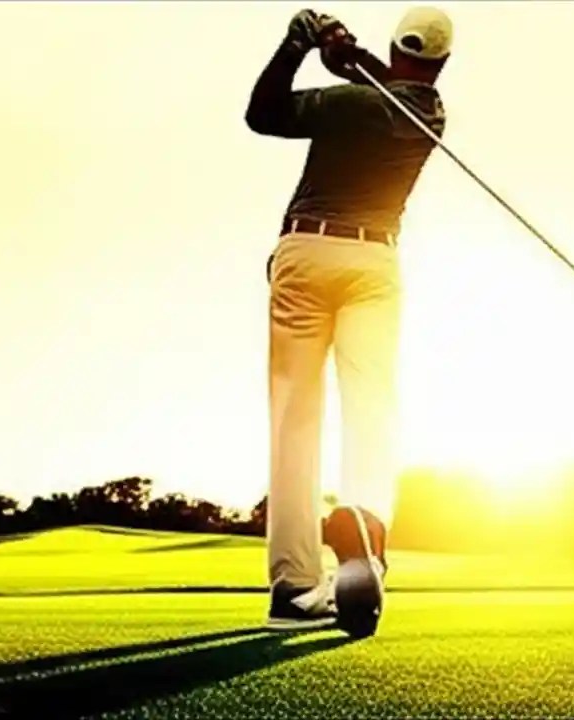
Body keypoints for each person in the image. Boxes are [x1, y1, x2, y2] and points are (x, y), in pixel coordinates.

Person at [244, 6, 453, 635]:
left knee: (294, 420)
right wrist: (345, 55)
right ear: (442, 62)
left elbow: (263, 114)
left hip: (306, 249)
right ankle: (365, 525)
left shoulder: (349, 103)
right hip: (375, 261)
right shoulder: (431, 113)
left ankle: (293, 589)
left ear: (395, 47)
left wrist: (297, 47)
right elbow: (381, 85)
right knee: (371, 406)